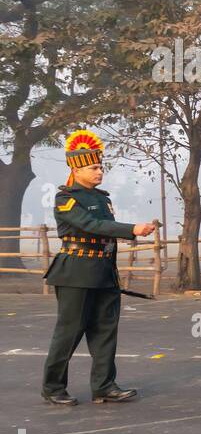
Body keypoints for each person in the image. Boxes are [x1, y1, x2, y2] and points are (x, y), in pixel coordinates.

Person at [41, 130, 157, 406]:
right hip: (76, 273)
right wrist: (132, 229)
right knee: (69, 331)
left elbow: (105, 233)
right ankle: (53, 387)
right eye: (93, 167)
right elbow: (93, 226)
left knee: (105, 330)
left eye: (100, 167)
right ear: (76, 169)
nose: (99, 172)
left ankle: (104, 386)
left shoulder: (103, 199)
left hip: (103, 271)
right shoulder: (66, 199)